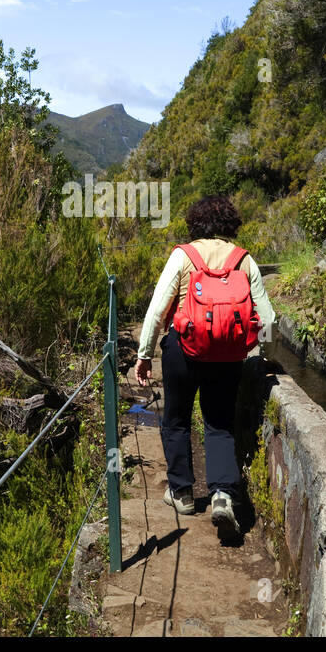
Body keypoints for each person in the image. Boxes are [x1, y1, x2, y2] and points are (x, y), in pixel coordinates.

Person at [134, 195, 275, 536]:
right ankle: (223, 494)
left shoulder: (183, 256)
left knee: (177, 419)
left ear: (195, 223)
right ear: (230, 224)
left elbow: (156, 311)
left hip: (183, 351)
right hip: (227, 357)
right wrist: (255, 350)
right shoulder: (244, 259)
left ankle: (182, 492)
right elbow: (268, 318)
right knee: (219, 424)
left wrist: (144, 354)